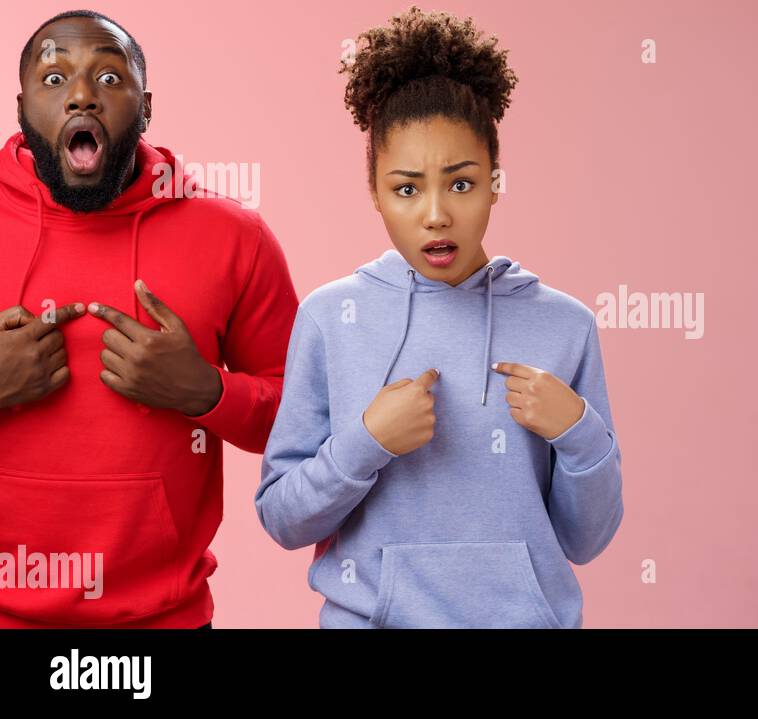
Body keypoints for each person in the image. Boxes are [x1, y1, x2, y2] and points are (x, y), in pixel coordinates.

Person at [256, 7, 623, 629]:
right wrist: (367, 442)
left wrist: (579, 434)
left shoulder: (565, 325)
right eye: (406, 188)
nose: (435, 215)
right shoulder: (329, 318)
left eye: (461, 183)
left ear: (495, 181)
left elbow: (585, 541)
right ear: (373, 189)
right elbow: (283, 520)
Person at [0, 10, 299, 628]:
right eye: (55, 80)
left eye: (110, 78)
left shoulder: (232, 236)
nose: (82, 94)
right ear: (22, 106)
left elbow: (305, 420)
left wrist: (206, 392)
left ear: (146, 105)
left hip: (165, 620)